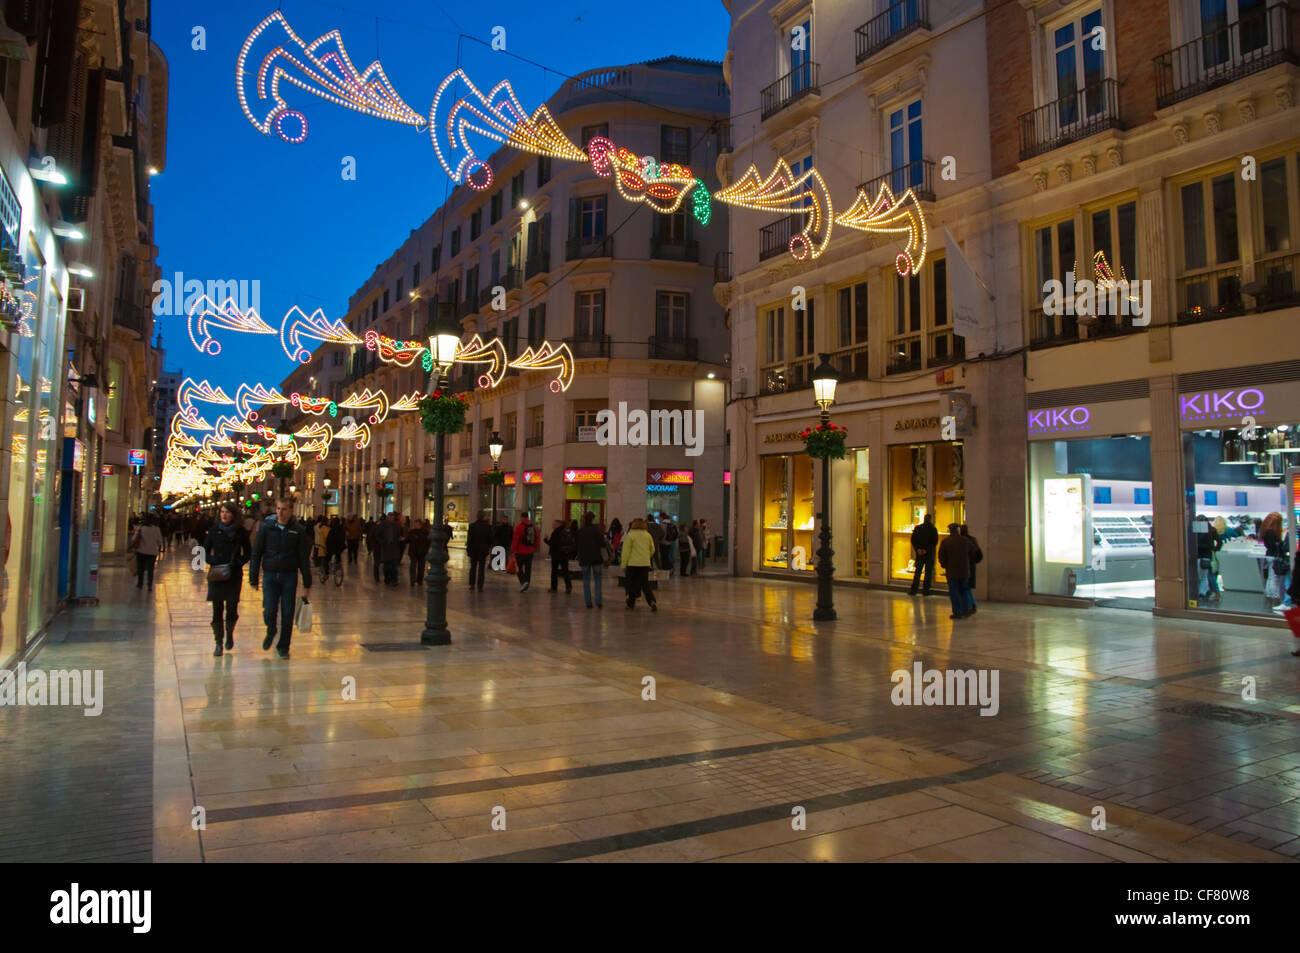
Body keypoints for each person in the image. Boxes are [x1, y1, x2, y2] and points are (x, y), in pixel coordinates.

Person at [248, 499, 313, 658]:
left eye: (284, 509)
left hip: (289, 575)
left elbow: (303, 557)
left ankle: (283, 646)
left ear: (291, 511)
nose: (280, 512)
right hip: (270, 575)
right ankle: (271, 630)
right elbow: (256, 552)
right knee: (269, 609)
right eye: (278, 508)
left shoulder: (298, 531)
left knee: (287, 612)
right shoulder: (267, 528)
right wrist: (253, 577)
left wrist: (307, 582)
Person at [202, 503, 252, 656]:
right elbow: (204, 550)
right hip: (217, 574)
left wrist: (237, 563)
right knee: (217, 609)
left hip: (233, 574)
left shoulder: (240, 532)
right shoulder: (214, 530)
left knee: (232, 607)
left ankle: (229, 633)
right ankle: (218, 642)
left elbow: (248, 552)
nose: (224, 515)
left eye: (227, 512)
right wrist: (213, 560)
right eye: (222, 512)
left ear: (233, 515)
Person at [937, 523, 975, 619]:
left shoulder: (946, 542)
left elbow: (941, 556)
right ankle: (967, 609)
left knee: (954, 592)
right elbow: (974, 551)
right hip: (964, 571)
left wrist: (945, 565)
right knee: (964, 590)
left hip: (952, 571)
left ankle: (957, 611)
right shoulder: (965, 541)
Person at [620, 517, 658, 611]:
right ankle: (651, 601)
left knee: (631, 584)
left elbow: (626, 552)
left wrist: (624, 565)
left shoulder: (630, 535)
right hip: (645, 564)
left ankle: (630, 604)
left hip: (632, 564)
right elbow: (652, 549)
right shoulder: (647, 535)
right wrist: (646, 557)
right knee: (645, 584)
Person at [576, 512, 612, 609]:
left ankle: (588, 602)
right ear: (592, 519)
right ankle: (598, 601)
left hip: (584, 559)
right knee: (598, 580)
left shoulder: (580, 531)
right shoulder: (596, 530)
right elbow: (602, 544)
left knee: (586, 580)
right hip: (596, 558)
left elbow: (576, 545)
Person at [130, 515, 164, 592]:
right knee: (150, 569)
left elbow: (134, 538)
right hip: (152, 552)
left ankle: (140, 583)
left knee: (140, 568)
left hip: (141, 551)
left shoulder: (141, 528)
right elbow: (159, 541)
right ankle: (149, 585)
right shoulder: (156, 529)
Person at [1195, 514, 1223, 603]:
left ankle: (1206, 592)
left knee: (1204, 576)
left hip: (1199, 555)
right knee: (1208, 575)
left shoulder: (1196, 530)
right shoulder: (1211, 530)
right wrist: (1214, 550)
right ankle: (1211, 592)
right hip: (1207, 555)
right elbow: (1219, 542)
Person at [909, 513, 938, 596]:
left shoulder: (918, 528)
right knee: (928, 572)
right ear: (931, 519)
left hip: (919, 554)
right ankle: (926, 590)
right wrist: (926, 550)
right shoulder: (933, 529)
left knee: (918, 571)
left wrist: (918, 549)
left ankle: (914, 589)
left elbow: (913, 540)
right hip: (929, 554)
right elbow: (934, 542)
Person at [544, 519, 574, 593]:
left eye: (554, 524)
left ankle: (554, 588)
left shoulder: (556, 532)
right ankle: (568, 587)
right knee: (565, 572)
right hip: (564, 554)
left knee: (554, 571)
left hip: (556, 555)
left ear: (557, 524)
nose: (552, 525)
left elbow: (552, 544)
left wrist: (545, 540)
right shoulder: (565, 532)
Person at [466, 511, 494, 590]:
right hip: (483, 550)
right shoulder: (487, 527)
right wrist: (488, 547)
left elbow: (469, 539)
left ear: (477, 516)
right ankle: (480, 586)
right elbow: (490, 539)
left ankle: (472, 584)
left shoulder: (472, 526)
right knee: (481, 568)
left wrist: (468, 550)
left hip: (473, 550)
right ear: (483, 517)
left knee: (473, 567)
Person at [511, 512, 538, 591]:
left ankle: (523, 582)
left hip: (520, 552)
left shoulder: (519, 527)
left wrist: (513, 550)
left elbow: (515, 540)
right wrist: (535, 548)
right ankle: (527, 584)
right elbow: (537, 538)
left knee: (518, 568)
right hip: (530, 551)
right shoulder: (533, 527)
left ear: (522, 517)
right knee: (528, 569)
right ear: (528, 517)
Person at [378, 511, 403, 586]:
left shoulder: (397, 526)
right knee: (387, 566)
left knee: (394, 566)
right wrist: (382, 542)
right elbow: (378, 535)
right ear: (388, 517)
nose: (392, 518)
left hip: (394, 548)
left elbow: (400, 535)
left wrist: (400, 539)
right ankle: (387, 578)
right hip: (386, 548)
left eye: (393, 517)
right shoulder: (382, 525)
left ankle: (394, 580)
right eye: (390, 517)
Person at [960, 523, 982, 597]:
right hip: (971, 566)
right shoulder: (972, 540)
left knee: (964, 587)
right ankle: (971, 603)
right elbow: (979, 555)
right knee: (968, 587)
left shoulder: (961, 541)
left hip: (963, 567)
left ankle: (969, 604)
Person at [407, 519, 430, 587]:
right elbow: (408, 539)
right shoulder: (412, 532)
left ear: (420, 524)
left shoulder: (425, 532)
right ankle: (412, 580)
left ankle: (420, 580)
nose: (415, 525)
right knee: (412, 567)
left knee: (421, 567)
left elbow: (428, 542)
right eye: (415, 524)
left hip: (422, 553)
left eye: (417, 524)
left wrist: (426, 550)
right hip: (413, 552)